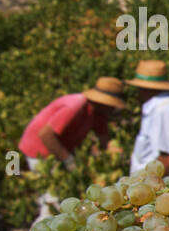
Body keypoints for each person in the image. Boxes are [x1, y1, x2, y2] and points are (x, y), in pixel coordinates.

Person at [19, 76, 128, 218]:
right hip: (40, 150)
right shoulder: (75, 106)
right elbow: (46, 135)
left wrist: (114, 154)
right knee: (53, 200)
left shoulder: (98, 111)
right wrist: (68, 161)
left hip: (59, 151)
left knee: (61, 196)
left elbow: (103, 137)